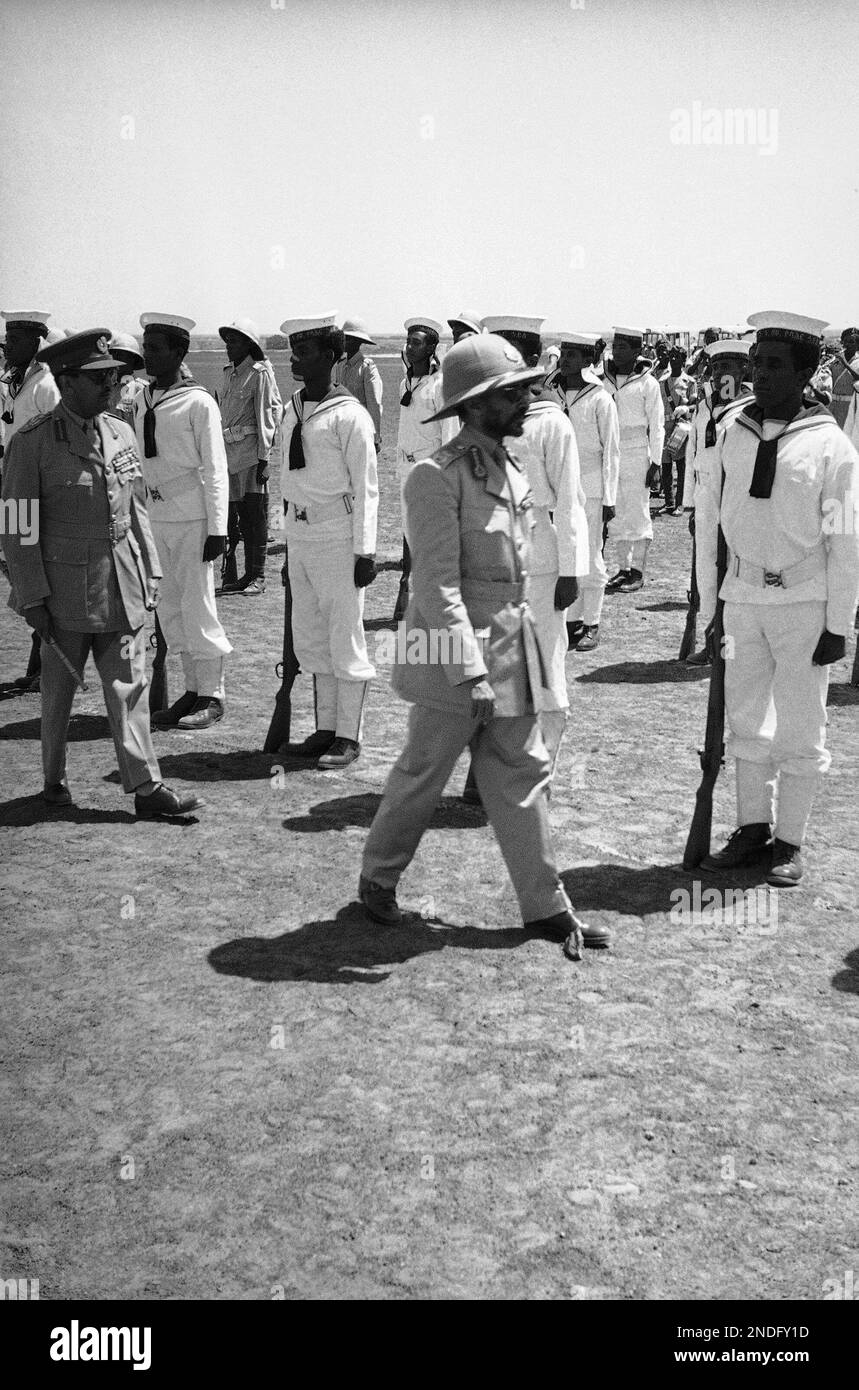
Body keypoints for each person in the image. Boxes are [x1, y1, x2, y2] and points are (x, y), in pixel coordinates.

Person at [358, 333, 609, 954]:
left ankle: (546, 905)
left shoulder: (510, 466)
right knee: (424, 771)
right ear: (474, 404)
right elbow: (436, 585)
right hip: (452, 654)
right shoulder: (435, 477)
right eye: (510, 392)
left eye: (524, 389)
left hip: (510, 645)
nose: (525, 400)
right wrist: (469, 672)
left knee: (524, 774)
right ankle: (378, 879)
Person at [1, 330, 203, 817]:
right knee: (57, 695)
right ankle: (53, 780)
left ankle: (147, 787)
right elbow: (17, 528)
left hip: (123, 585)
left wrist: (151, 570)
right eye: (98, 379)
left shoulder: (120, 432)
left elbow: (136, 508)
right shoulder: (31, 443)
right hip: (63, 594)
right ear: (66, 383)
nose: (110, 386)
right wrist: (31, 597)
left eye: (112, 376)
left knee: (131, 687)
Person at [698, 312, 859, 887]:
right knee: (746, 719)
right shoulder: (731, 432)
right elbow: (710, 525)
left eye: (773, 366)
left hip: (804, 603)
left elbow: (845, 538)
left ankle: (790, 839)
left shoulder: (830, 445)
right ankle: (751, 829)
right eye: (755, 363)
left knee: (800, 723)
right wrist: (714, 607)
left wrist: (838, 623)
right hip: (742, 599)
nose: (759, 375)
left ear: (805, 373)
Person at [479, 314, 589, 772]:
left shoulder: (550, 421)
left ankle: (541, 762)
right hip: (491, 557)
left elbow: (570, 502)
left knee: (544, 664)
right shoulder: (481, 418)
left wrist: (570, 571)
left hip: (541, 557)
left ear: (531, 360)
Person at [278, 314, 378, 768]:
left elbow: (367, 487)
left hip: (338, 534)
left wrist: (365, 551)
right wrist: (288, 542)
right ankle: (325, 728)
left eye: (305, 351)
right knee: (311, 632)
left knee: (344, 633)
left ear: (332, 356)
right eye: (293, 350)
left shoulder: (349, 414)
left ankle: (348, 735)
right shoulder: (293, 409)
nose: (295, 359)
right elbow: (287, 479)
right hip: (300, 534)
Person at [133, 312, 232, 730]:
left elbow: (215, 467)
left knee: (198, 606)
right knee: (171, 609)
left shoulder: (198, 402)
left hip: (193, 517)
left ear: (178, 353)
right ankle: (192, 690)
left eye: (155, 348)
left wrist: (218, 528)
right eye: (145, 346)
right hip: (158, 517)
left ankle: (213, 695)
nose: (147, 355)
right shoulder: (142, 399)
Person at [681, 339, 754, 665]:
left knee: (732, 571)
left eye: (727, 366)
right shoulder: (704, 406)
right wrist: (691, 504)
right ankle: (712, 640)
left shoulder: (751, 408)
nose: (719, 373)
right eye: (715, 367)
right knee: (707, 570)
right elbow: (692, 454)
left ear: (743, 370)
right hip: (705, 496)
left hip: (735, 499)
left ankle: (731, 646)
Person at [1, 311, 62, 691]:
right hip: (14, 492)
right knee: (18, 568)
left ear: (36, 341)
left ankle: (46, 667)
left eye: (15, 339)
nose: (7, 346)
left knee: (40, 576)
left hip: (39, 495)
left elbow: (56, 441)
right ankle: (38, 663)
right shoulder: (16, 381)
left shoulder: (46, 385)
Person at [547, 331, 620, 651]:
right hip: (558, 485)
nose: (564, 360)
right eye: (563, 353)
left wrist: (609, 498)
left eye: (572, 355)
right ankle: (573, 618)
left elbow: (611, 451)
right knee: (565, 553)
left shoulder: (600, 398)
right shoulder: (553, 393)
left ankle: (593, 621)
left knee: (591, 555)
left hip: (590, 488)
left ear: (588, 360)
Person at [393, 316, 457, 622]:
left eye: (416, 342)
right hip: (406, 471)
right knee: (411, 536)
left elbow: (449, 435)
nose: (409, 347)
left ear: (431, 348)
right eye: (408, 341)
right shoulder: (404, 383)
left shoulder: (440, 386)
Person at [217, 317, 281, 598]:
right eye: (227, 341)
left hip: (251, 455)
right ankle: (245, 575)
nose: (228, 346)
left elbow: (266, 415)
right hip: (230, 455)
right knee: (241, 519)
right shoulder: (228, 374)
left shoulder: (259, 374)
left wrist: (264, 459)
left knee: (256, 517)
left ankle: (259, 575)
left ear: (248, 345)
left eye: (234, 341)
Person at [602, 326, 665, 592]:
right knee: (616, 510)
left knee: (638, 510)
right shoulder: (605, 380)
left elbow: (657, 424)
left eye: (623, 347)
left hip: (638, 451)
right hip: (611, 451)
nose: (617, 352)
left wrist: (656, 462)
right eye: (614, 347)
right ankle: (623, 568)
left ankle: (638, 570)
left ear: (637, 351)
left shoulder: (647, 383)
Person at [332, 318, 383, 452]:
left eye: (348, 339)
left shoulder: (367, 368)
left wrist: (375, 437)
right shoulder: (340, 366)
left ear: (357, 342)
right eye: (343, 338)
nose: (344, 342)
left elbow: (374, 403)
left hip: (361, 429)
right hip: (342, 430)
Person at [656, 345, 696, 515]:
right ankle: (669, 502)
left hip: (680, 427)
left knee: (681, 467)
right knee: (665, 467)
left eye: (677, 357)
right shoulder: (662, 382)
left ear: (683, 359)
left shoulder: (689, 382)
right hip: (664, 427)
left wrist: (686, 409)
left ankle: (680, 503)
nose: (673, 360)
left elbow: (695, 405)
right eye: (671, 356)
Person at [830, 326, 859, 431]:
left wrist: (845, 363)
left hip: (850, 407)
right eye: (845, 341)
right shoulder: (835, 360)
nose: (848, 344)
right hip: (833, 406)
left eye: (852, 342)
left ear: (857, 345)